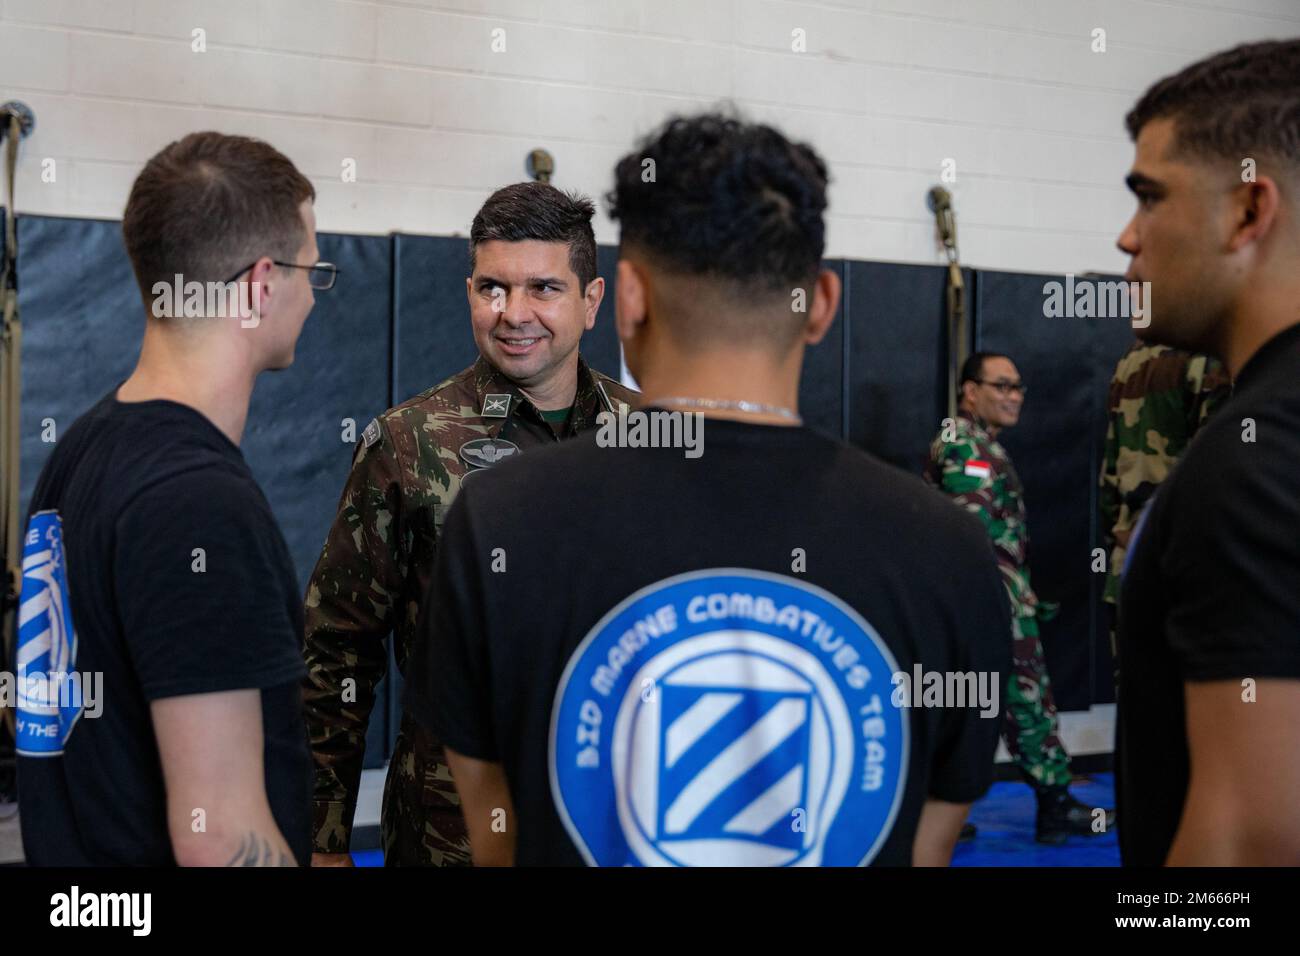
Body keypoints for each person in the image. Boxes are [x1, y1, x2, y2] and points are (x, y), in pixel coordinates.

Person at [404, 113, 1011, 867]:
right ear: (821, 302)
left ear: (624, 298)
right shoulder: (948, 548)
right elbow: (923, 842)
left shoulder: (496, 521)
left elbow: (498, 832)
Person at [303, 181, 637, 866]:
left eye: (543, 288)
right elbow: (336, 651)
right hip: (446, 833)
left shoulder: (653, 435)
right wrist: (325, 837)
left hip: (616, 822)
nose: (513, 313)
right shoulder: (406, 442)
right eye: (493, 288)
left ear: (591, 301)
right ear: (469, 292)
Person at [15, 132, 326, 865]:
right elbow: (217, 837)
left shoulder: (81, 452)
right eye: (312, 271)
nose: (312, 294)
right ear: (259, 286)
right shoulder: (199, 506)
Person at [1114, 39, 1300, 866]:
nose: (1127, 237)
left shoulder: (1253, 462)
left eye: (1149, 197)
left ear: (1247, 213)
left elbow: (1251, 844)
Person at [925, 353, 1114, 844]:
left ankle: (937, 810)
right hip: (991, 599)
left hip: (972, 599)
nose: (1013, 396)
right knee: (1026, 699)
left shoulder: (973, 443)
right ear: (970, 390)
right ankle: (1055, 806)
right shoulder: (966, 448)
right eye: (1001, 385)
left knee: (960, 704)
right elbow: (977, 535)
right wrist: (1010, 602)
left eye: (1018, 387)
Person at [1098, 341, 1229, 676]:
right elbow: (1219, 472)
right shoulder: (1207, 358)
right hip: (1187, 571)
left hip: (1127, 563)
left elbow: (1109, 474)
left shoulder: (1129, 360)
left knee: (1137, 707)